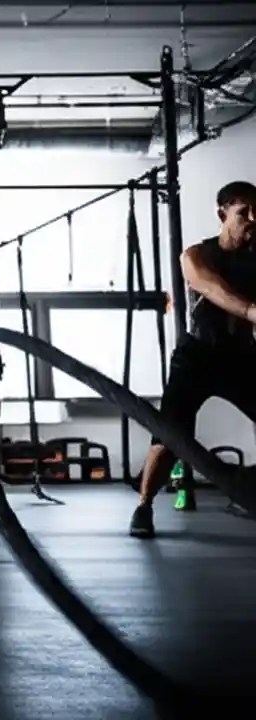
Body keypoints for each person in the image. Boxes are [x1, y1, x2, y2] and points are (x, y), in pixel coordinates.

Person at [130, 180, 256, 538]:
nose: (252, 219)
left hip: (242, 356)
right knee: (169, 435)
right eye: (243, 212)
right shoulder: (196, 256)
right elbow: (212, 288)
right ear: (222, 213)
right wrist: (251, 310)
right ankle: (144, 507)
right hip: (196, 357)